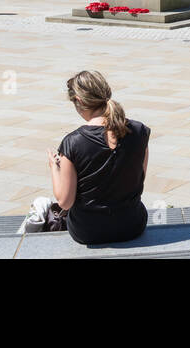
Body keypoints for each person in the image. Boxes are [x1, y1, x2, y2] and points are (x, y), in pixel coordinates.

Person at [47, 70, 150, 246]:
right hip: (132, 225)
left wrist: (55, 169)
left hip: (88, 231)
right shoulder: (139, 131)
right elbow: (138, 178)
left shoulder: (73, 142)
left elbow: (65, 202)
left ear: (79, 101)